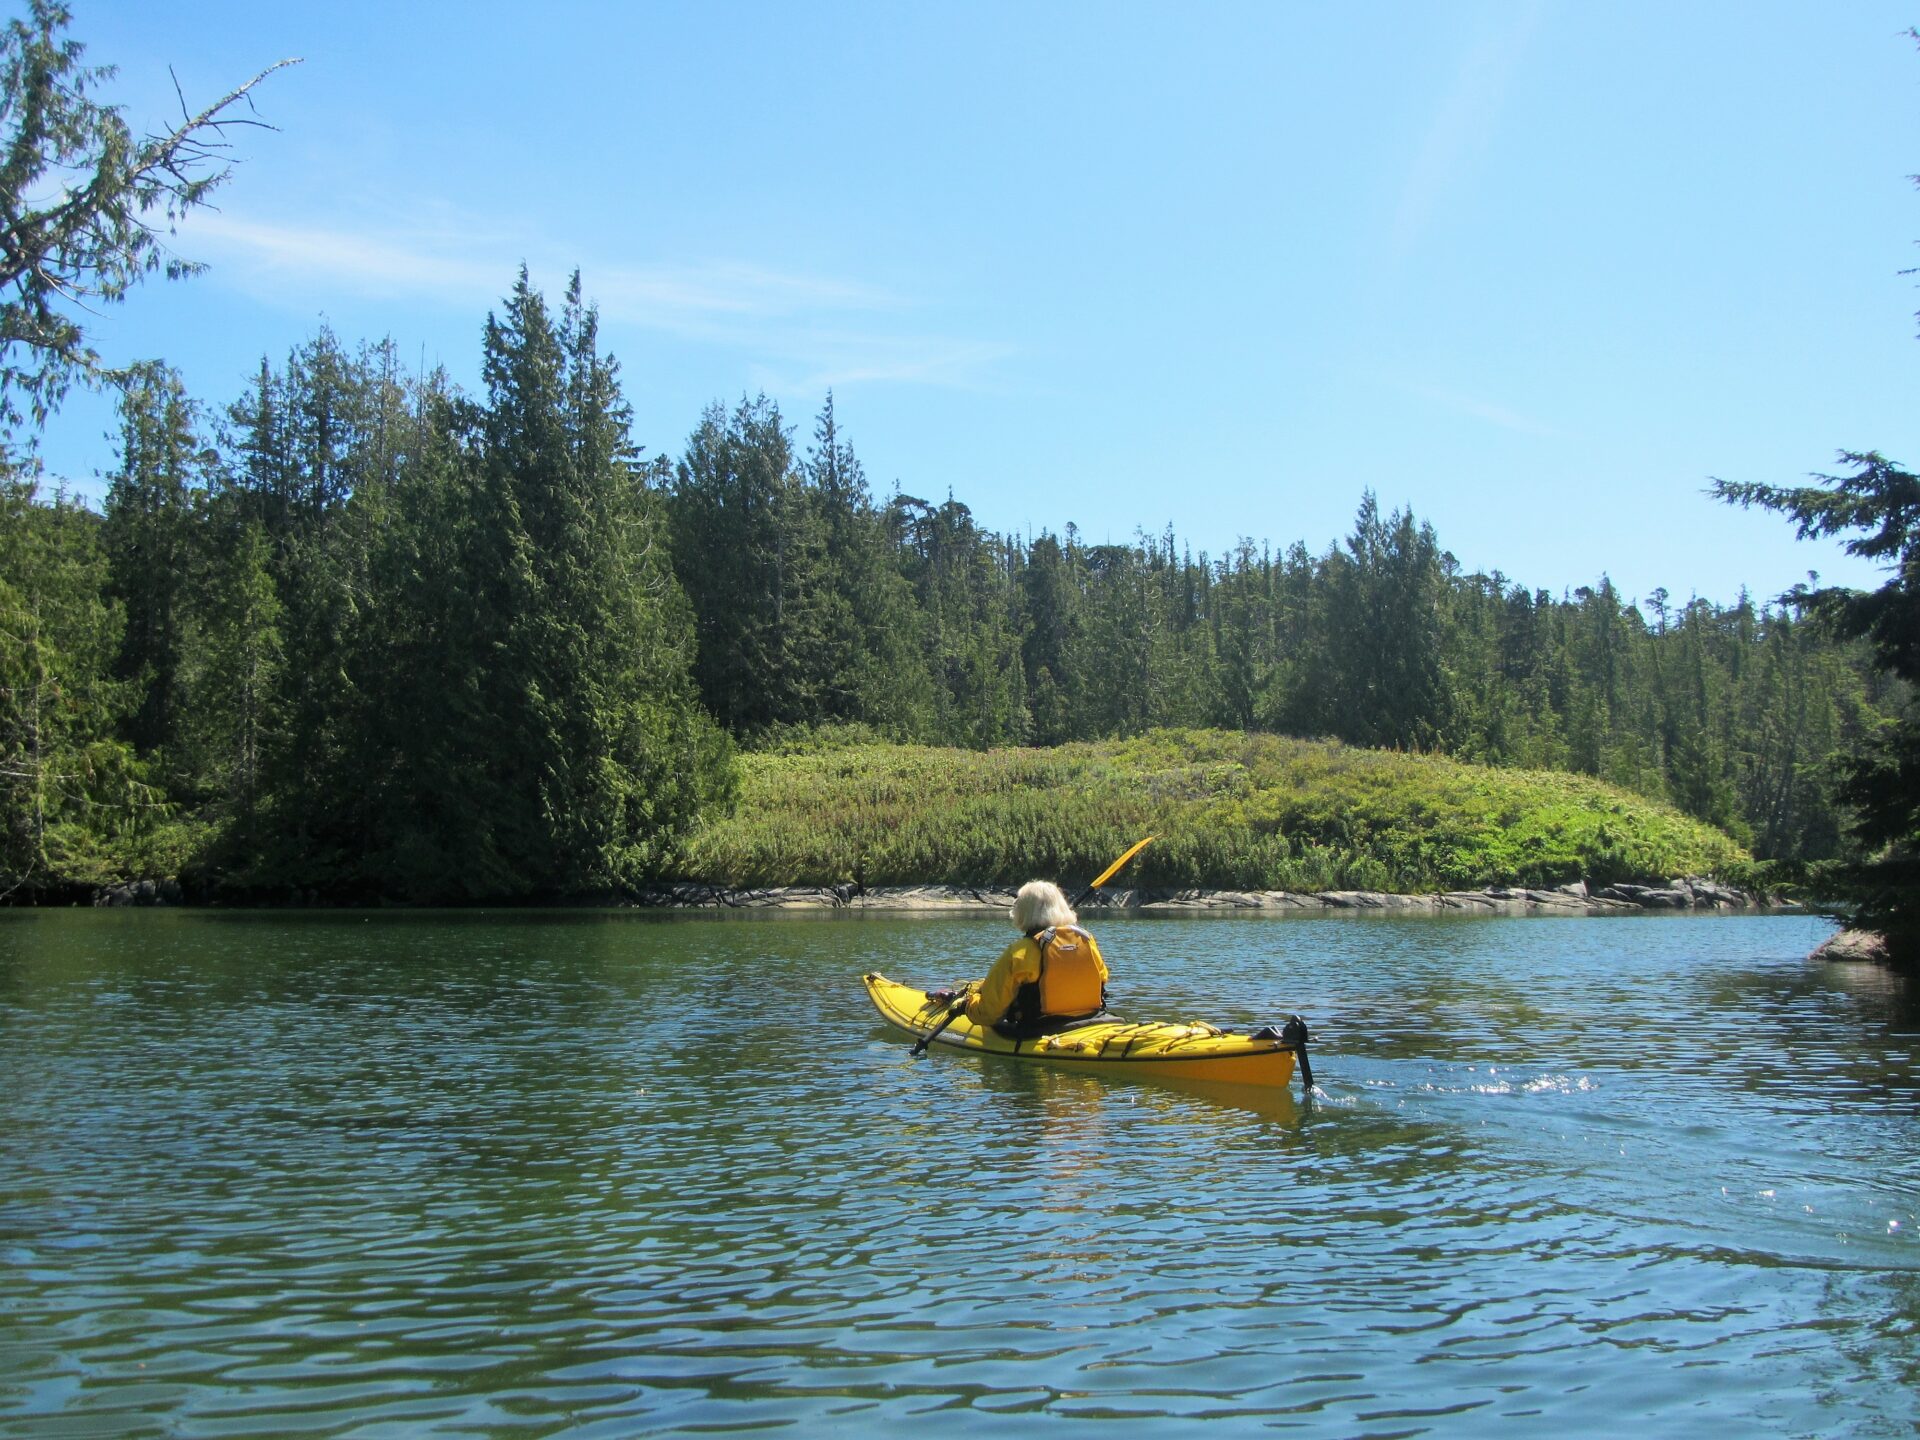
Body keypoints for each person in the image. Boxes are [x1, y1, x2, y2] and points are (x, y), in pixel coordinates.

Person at [961, 879, 1109, 1037]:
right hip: (1092, 1020)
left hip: (1040, 1029)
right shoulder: (1087, 940)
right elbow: (1103, 977)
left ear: (1023, 912)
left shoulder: (1019, 953)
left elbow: (988, 1013)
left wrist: (967, 1004)